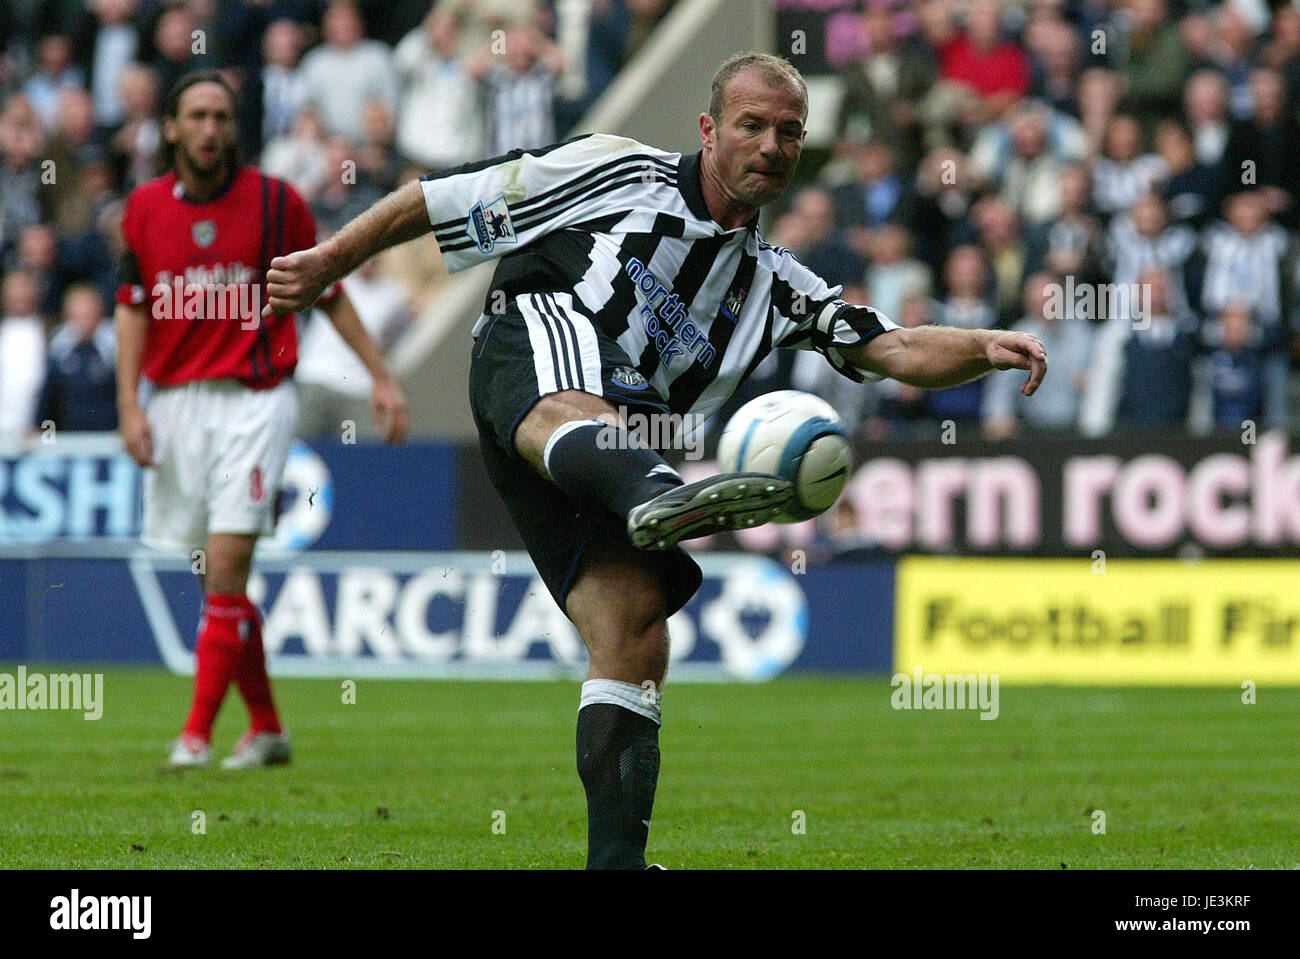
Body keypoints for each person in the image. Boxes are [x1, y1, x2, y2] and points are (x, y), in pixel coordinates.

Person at [261, 52, 1047, 868]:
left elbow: (896, 345)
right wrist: (330, 260)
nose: (771, 145)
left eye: (789, 132)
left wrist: (984, 344)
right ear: (709, 130)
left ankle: (616, 863)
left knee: (634, 626)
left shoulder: (778, 287)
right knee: (589, 392)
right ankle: (658, 492)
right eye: (751, 125)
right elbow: (443, 197)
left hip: (598, 451)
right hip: (529, 352)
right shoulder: (614, 169)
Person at [114, 71, 408, 771]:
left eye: (222, 114)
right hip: (177, 402)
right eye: (198, 115)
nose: (211, 127)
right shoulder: (145, 208)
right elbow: (131, 305)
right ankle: (269, 727)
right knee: (218, 580)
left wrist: (381, 375)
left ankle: (193, 737)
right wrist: (129, 403)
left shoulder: (277, 203)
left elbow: (328, 293)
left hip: (257, 396)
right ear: (173, 129)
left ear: (233, 125)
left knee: (224, 565)